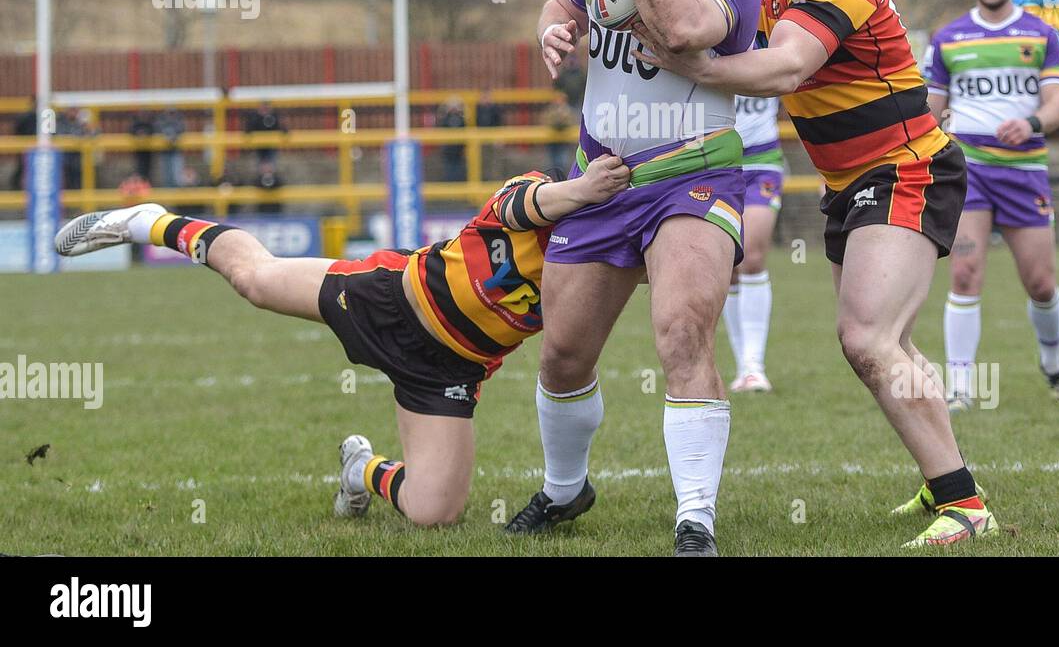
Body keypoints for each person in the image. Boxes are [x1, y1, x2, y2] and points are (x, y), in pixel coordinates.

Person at [537, 0, 997, 547]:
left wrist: (702, 67)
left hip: (906, 165)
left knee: (868, 337)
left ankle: (965, 506)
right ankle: (946, 479)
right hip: (850, 177)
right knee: (887, 340)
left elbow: (784, 69)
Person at [53, 157, 630, 527]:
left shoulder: (599, 256)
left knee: (435, 513)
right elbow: (524, 204)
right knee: (254, 280)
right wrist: (582, 189)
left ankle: (360, 467)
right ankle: (149, 221)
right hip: (390, 300)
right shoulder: (533, 190)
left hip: (448, 372)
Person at [516, 0, 759, 557]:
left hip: (692, 174)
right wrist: (555, 33)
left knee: (683, 332)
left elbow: (687, 28)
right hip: (598, 181)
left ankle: (695, 520)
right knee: (562, 353)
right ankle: (565, 488)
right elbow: (558, 5)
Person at [922, 0, 1059, 411]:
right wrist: (934, 131)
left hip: (1024, 172)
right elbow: (931, 110)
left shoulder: (1042, 35)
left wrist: (1030, 123)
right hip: (969, 172)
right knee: (965, 274)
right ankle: (962, 389)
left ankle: (1052, 364)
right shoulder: (948, 39)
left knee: (1041, 284)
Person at [721, 92, 784, 393]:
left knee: (753, 258)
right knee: (729, 265)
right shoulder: (708, 47)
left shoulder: (772, 46)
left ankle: (754, 366)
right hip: (719, 163)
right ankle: (742, 367)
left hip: (762, 162)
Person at [244, 101, 285, 166]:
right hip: (259, 144)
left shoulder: (273, 116)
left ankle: (270, 174)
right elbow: (249, 129)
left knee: (271, 162)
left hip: (271, 144)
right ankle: (262, 175)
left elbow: (280, 127)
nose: (265, 109)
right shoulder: (255, 116)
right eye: (263, 108)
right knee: (261, 162)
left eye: (267, 108)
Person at [129, 111, 155, 183]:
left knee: (148, 168)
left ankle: (146, 185)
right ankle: (140, 184)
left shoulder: (150, 123)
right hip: (138, 150)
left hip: (148, 150)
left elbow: (153, 131)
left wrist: (146, 134)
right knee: (139, 168)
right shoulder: (136, 123)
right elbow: (131, 131)